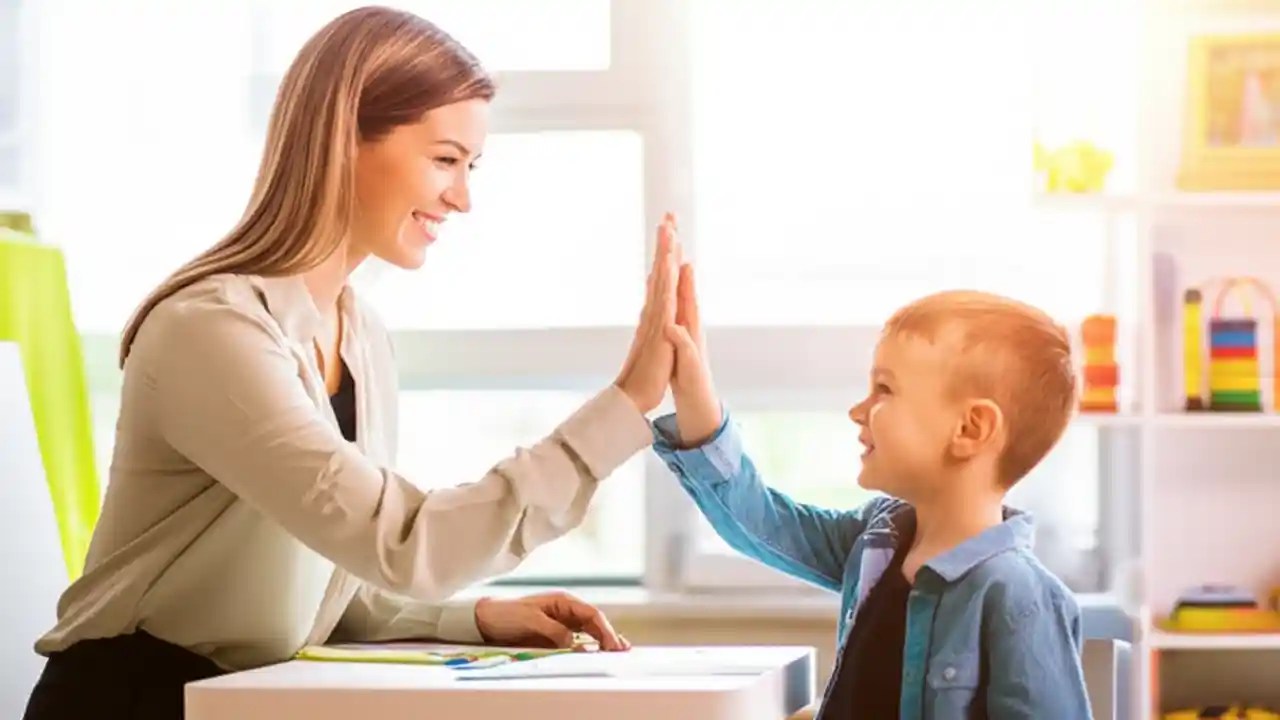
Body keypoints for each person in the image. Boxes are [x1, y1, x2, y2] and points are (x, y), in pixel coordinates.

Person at [23, 7, 683, 719]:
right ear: (345, 142)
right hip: (127, 699)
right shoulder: (211, 331)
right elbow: (396, 539)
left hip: (232, 699)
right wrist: (626, 404)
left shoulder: (359, 332)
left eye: (471, 166)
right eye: (445, 160)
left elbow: (337, 578)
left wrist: (477, 619)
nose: (462, 197)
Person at [654, 275, 1092, 719]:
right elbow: (766, 524)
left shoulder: (1021, 597)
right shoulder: (876, 539)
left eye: (884, 389)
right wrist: (695, 396)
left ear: (970, 429)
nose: (858, 411)